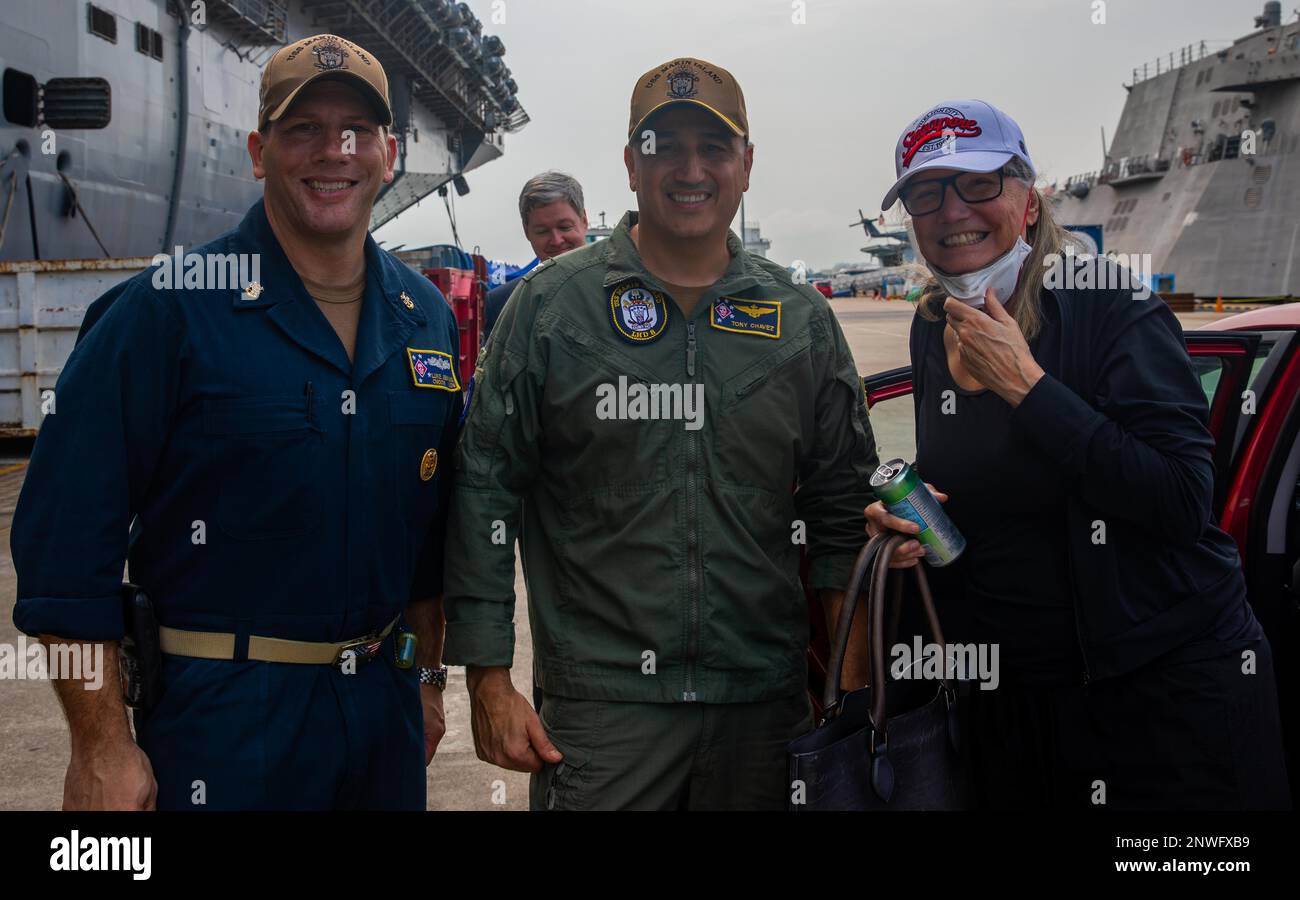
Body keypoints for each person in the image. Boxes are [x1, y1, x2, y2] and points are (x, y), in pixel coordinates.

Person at [10, 34, 459, 810]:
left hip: (382, 720)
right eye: (303, 130)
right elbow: (64, 549)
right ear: (258, 151)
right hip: (224, 724)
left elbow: (426, 546)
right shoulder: (163, 314)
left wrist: (425, 680)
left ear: (387, 152)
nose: (333, 152)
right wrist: (100, 746)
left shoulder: (423, 318)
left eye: (355, 131)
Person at [442, 57, 878, 810]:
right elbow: (485, 489)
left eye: (714, 148)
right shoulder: (551, 309)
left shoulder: (799, 321)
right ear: (629, 165)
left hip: (762, 707)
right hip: (603, 714)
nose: (690, 169)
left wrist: (852, 669)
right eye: (664, 146)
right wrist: (485, 673)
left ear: (746, 166)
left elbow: (840, 505)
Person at [865, 99, 1290, 809]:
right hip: (1015, 698)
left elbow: (1184, 499)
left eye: (978, 184)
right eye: (925, 193)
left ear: (1027, 201)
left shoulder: (1109, 307)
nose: (950, 211)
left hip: (1156, 700)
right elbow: (981, 496)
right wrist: (912, 526)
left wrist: (1028, 388)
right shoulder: (933, 324)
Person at [481, 171, 589, 345]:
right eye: (543, 231)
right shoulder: (502, 303)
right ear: (526, 231)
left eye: (564, 227)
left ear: (584, 220)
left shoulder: (623, 288)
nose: (556, 240)